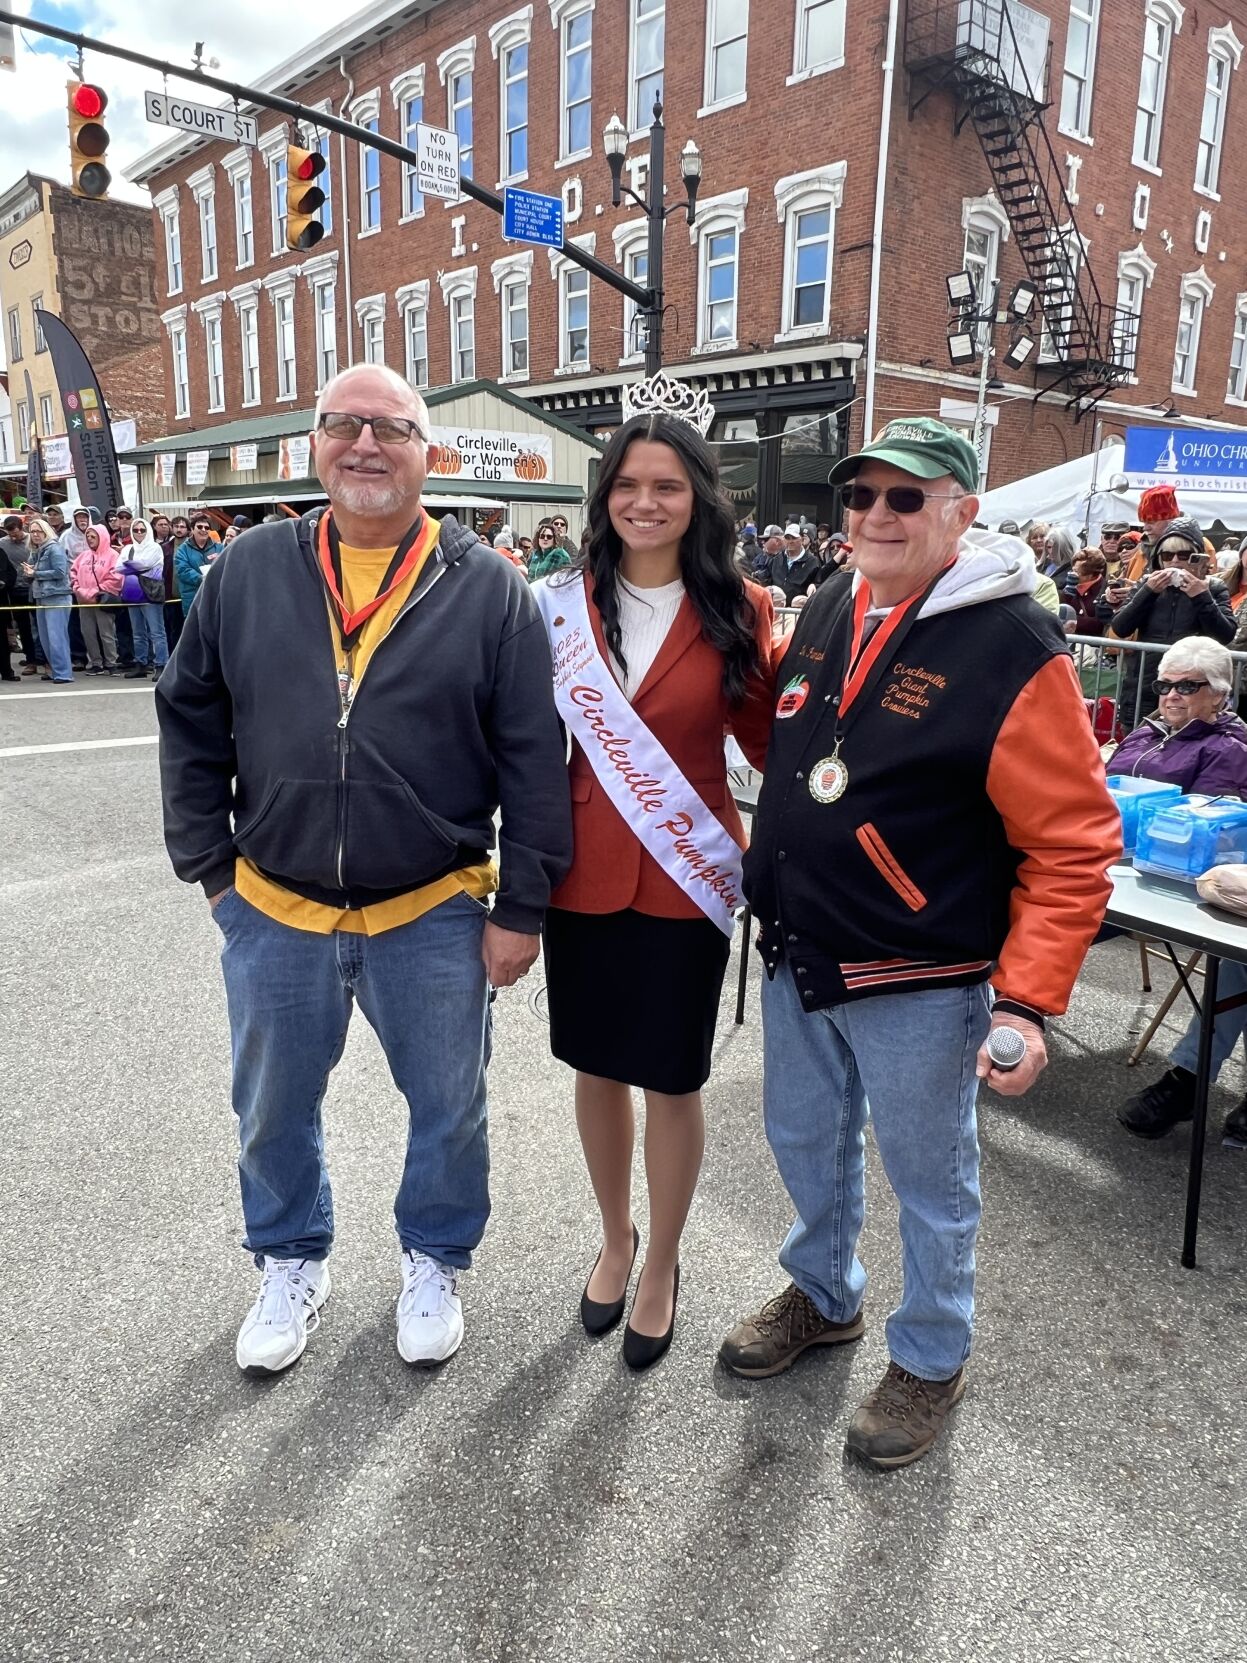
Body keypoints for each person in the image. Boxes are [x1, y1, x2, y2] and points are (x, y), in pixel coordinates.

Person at [156, 363, 572, 1378]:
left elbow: (531, 754)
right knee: (270, 1105)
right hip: (275, 905)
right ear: (314, 446)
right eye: (342, 425)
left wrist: (522, 904)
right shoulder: (250, 567)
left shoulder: (490, 588)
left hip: (429, 905)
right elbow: (189, 711)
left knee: (449, 1105)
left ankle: (433, 1257)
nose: (365, 446)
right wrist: (209, 865)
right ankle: (290, 1257)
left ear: (427, 454)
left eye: (389, 428)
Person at [718, 417, 1119, 1469]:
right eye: (860, 496)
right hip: (799, 950)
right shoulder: (832, 603)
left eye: (905, 497)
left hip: (920, 975)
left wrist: (1026, 1002)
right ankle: (824, 1295)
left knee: (928, 1181)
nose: (875, 516)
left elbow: (1071, 846)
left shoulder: (1010, 643)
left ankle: (931, 1353)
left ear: (960, 510)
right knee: (804, 1146)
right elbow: (791, 734)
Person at [534, 404, 774, 1373]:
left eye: (666, 486)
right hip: (580, 871)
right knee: (596, 1066)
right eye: (627, 485)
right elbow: (519, 742)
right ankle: (615, 1235)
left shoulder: (740, 607)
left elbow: (767, 743)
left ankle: (664, 1261)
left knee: (672, 1076)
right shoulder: (557, 601)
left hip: (688, 874)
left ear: (697, 498)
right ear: (604, 497)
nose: (644, 501)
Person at [1113, 638, 1247, 1144]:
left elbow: (1201, 827)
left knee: (1236, 961)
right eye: (1163, 684)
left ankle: (1187, 1081)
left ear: (1218, 693)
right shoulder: (1146, 733)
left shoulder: (1227, 748)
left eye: (1185, 686)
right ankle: (991, 1016)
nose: (1170, 695)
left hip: (1179, 883)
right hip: (1115, 871)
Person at [1105, 517, 1236, 727]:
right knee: (1137, 746)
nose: (1175, 561)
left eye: (1183, 555)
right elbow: (1120, 628)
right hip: (1146, 685)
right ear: (1159, 559)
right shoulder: (1146, 584)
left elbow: (1225, 634)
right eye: (1167, 555)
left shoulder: (1213, 587)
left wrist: (1201, 597)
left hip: (1193, 691)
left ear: (1197, 557)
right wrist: (1148, 592)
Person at [23, 516, 74, 683]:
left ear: (46, 532)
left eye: (39, 531)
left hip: (57, 597)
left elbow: (60, 572)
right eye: (32, 531)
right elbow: (32, 576)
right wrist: (29, 572)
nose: (36, 534)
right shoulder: (36, 551)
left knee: (57, 637)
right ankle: (54, 671)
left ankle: (63, 673)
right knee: (45, 639)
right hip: (41, 597)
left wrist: (35, 573)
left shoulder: (54, 548)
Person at [119, 518, 169, 681]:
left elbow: (146, 563)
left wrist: (130, 566)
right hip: (133, 591)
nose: (139, 533)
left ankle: (161, 664)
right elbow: (118, 567)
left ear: (148, 530)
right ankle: (141, 663)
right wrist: (136, 566)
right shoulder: (128, 548)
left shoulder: (155, 547)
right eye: (136, 530)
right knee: (138, 632)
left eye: (142, 530)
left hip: (151, 592)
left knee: (157, 632)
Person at [70, 523, 122, 674]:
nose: (90, 539)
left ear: (102, 537)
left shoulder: (113, 555)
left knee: (106, 633)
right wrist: (78, 589)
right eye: (88, 536)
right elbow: (73, 573)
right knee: (88, 632)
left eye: (93, 536)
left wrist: (96, 591)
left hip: (102, 599)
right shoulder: (83, 556)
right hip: (83, 601)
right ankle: (96, 663)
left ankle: (111, 662)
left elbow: (116, 577)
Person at [1, 514, 40, 674]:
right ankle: (31, 659)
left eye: (16, 534)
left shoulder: (33, 540)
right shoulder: (3, 544)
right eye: (10, 535)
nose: (13, 537)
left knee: (38, 626)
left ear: (22, 528)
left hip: (33, 588)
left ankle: (43, 659)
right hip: (15, 590)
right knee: (23, 627)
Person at [175, 515, 220, 616]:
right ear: (192, 529)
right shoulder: (182, 550)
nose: (203, 530)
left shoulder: (219, 548)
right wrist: (201, 578)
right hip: (192, 599)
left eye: (207, 527)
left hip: (214, 598)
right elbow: (182, 570)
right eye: (199, 527)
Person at [767, 523, 821, 604]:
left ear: (802, 539)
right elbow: (767, 580)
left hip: (798, 611)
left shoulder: (813, 562)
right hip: (776, 609)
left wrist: (814, 585)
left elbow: (819, 584)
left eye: (794, 538)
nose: (790, 541)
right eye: (787, 538)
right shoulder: (776, 559)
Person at [1066, 548, 1108, 636]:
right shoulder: (1070, 586)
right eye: (1072, 570)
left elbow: (1100, 623)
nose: (1072, 574)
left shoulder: (1105, 590)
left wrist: (1072, 621)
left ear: (1091, 574)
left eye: (1076, 572)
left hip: (1092, 646)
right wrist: (1067, 594)